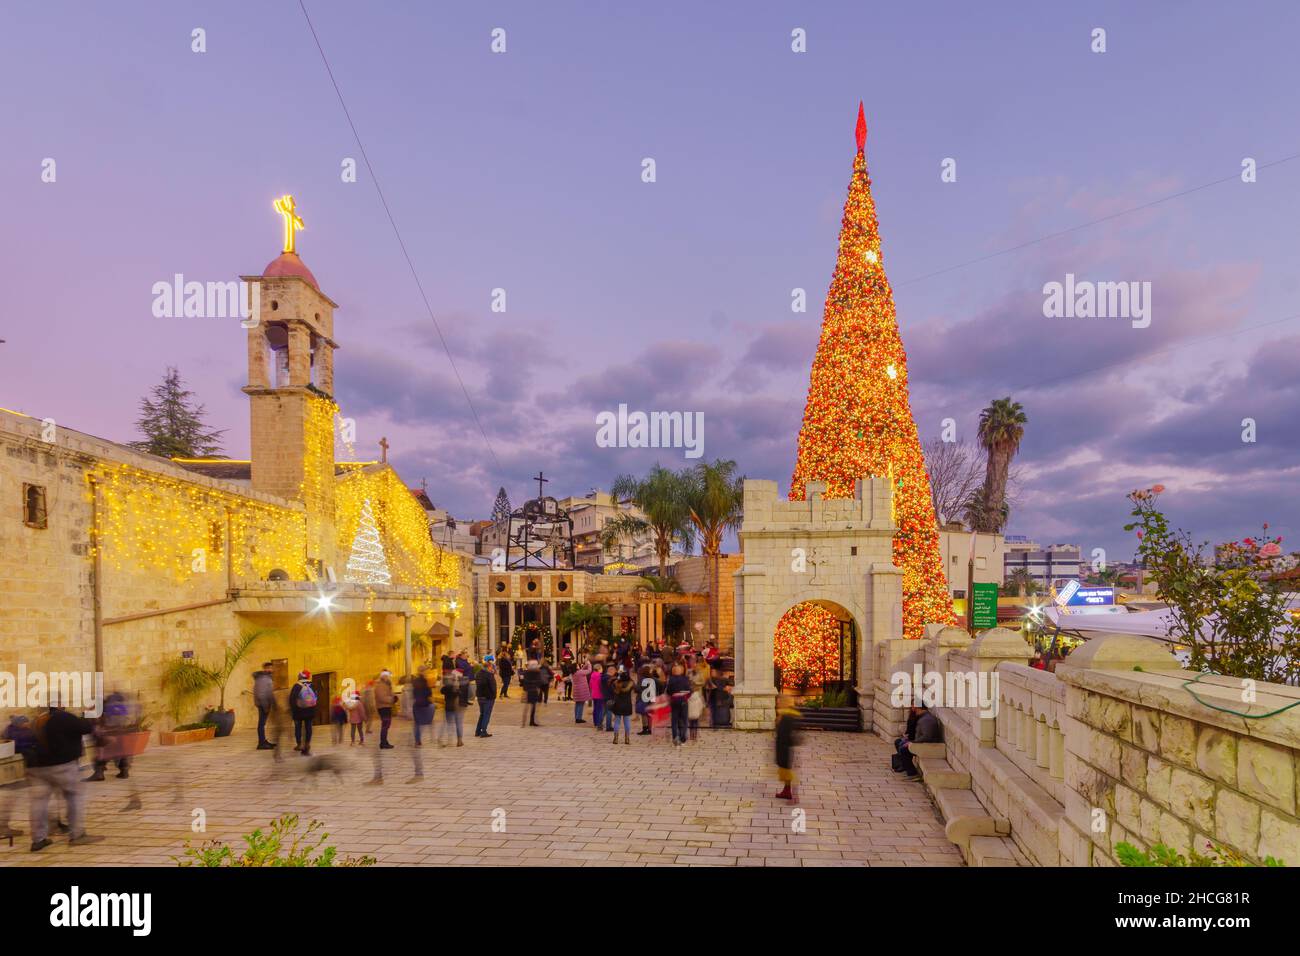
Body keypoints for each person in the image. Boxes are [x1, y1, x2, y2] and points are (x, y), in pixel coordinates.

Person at [27, 699, 104, 851]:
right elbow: (86, 727)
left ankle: (38, 839)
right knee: (74, 796)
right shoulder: (64, 717)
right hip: (62, 765)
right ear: (59, 705)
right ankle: (77, 835)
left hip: (36, 768)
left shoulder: (36, 721)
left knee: (39, 802)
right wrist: (88, 713)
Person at [0, 714, 36, 841]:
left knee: (7, 798)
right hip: (9, 774)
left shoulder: (14, 730)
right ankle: (2, 827)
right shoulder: (18, 732)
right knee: (7, 798)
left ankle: (3, 826)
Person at [894, 702, 942, 778]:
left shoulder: (927, 720)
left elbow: (927, 737)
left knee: (904, 749)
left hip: (927, 746)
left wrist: (912, 742)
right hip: (921, 742)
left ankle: (912, 773)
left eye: (913, 706)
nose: (912, 708)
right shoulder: (921, 717)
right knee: (899, 742)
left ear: (917, 707)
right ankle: (905, 765)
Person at [774, 708, 803, 801]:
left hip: (784, 748)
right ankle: (787, 791)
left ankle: (789, 793)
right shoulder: (786, 716)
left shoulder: (787, 718)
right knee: (785, 770)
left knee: (786, 771)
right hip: (784, 748)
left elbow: (785, 735)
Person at [289, 670, 318, 756]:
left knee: (298, 728)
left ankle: (299, 744)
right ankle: (307, 745)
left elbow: (292, 699)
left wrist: (293, 710)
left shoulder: (296, 686)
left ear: (300, 676)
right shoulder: (312, 685)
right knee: (308, 728)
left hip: (298, 712)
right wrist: (313, 709)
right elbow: (316, 698)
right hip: (310, 711)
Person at [439, 666, 465, 747]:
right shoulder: (455, 688)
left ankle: (447, 740)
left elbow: (441, 690)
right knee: (458, 723)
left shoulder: (445, 688)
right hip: (457, 707)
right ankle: (459, 740)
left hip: (448, 707)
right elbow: (460, 693)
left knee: (449, 724)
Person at [666, 663, 691, 746]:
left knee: (674, 720)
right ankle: (683, 737)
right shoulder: (685, 679)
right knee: (684, 720)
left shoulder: (671, 679)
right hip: (683, 701)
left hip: (674, 701)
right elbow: (689, 690)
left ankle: (675, 737)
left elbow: (668, 691)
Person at [252, 662, 276, 749]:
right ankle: (261, 743)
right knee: (261, 724)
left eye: (271, 668)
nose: (270, 669)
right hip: (263, 704)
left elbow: (268, 692)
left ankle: (263, 741)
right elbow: (261, 694)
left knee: (262, 724)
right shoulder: (263, 678)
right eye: (268, 668)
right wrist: (266, 706)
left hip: (264, 704)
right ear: (265, 669)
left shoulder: (265, 678)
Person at [610, 667, 635, 744]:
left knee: (617, 721)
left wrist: (617, 676)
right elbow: (638, 689)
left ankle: (615, 739)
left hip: (618, 704)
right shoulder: (631, 684)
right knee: (627, 722)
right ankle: (627, 739)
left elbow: (611, 685)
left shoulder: (616, 684)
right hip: (627, 705)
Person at [411, 667, 435, 746]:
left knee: (417, 723)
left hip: (417, 704)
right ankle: (432, 738)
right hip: (424, 704)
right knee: (427, 721)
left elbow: (414, 693)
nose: (427, 673)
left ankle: (417, 740)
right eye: (426, 671)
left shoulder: (415, 681)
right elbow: (427, 693)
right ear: (422, 672)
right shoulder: (424, 681)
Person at [475, 657, 497, 738]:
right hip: (488, 697)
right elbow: (493, 687)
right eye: (491, 667)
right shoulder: (489, 675)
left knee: (482, 714)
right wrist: (494, 696)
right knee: (486, 714)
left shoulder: (478, 674)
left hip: (480, 696)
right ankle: (483, 731)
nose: (492, 668)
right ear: (488, 667)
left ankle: (477, 731)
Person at [374, 669, 395, 749]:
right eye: (387, 676)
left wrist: (393, 697)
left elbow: (389, 693)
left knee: (386, 725)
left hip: (386, 706)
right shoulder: (380, 685)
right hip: (383, 707)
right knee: (385, 725)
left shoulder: (386, 684)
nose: (388, 677)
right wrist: (392, 699)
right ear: (383, 676)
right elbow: (381, 697)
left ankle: (384, 741)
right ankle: (383, 743)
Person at [520, 660, 543, 727]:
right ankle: (531, 721)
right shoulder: (537, 672)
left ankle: (523, 723)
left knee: (526, 707)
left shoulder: (526, 672)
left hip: (527, 690)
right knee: (533, 707)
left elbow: (522, 681)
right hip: (534, 690)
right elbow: (539, 682)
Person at [571, 659, 592, 723]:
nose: (579, 666)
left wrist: (585, 664)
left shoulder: (574, 673)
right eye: (577, 665)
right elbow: (589, 670)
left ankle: (576, 717)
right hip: (581, 691)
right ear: (576, 667)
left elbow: (582, 669)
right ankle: (579, 718)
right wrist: (589, 663)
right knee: (581, 704)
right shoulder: (580, 672)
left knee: (577, 704)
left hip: (576, 691)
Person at [588, 662, 605, 732]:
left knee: (595, 709)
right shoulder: (600, 676)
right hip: (600, 695)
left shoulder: (592, 676)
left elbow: (590, 685)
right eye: (601, 668)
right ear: (599, 669)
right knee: (600, 709)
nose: (602, 670)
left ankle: (595, 722)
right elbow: (601, 686)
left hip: (594, 694)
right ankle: (599, 723)